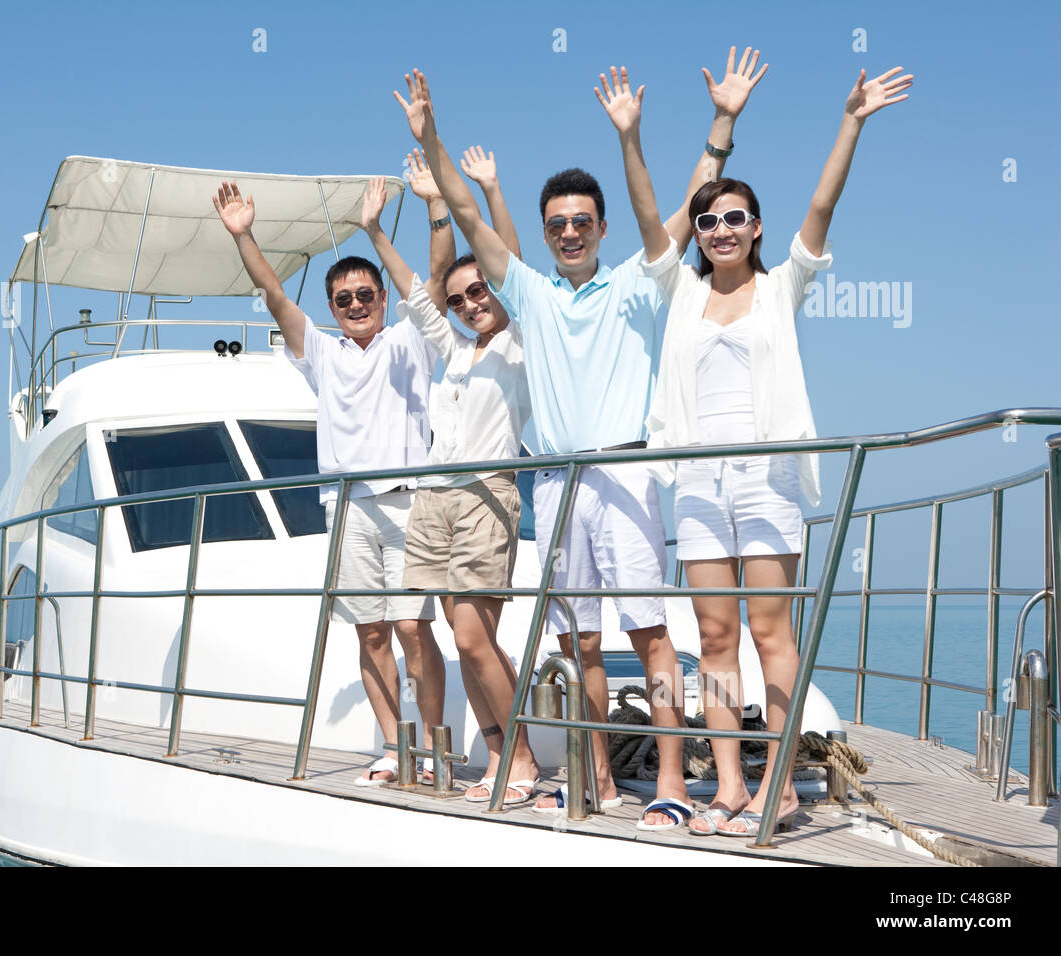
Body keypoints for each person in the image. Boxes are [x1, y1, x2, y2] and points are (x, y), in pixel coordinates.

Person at [396, 49, 766, 825]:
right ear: (544, 232)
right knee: (582, 646)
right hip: (556, 482)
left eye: (580, 222)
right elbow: (466, 214)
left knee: (651, 634)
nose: (569, 233)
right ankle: (591, 776)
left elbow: (695, 197)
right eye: (556, 224)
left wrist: (715, 122)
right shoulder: (524, 292)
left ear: (600, 227)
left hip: (626, 474)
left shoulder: (636, 280)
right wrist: (431, 141)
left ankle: (667, 784)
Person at [609, 61, 913, 835]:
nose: (720, 231)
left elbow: (822, 201)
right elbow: (652, 218)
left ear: (757, 228)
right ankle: (731, 786)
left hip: (769, 480)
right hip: (699, 485)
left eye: (735, 218)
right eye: (708, 222)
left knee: (772, 633)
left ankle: (779, 783)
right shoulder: (678, 292)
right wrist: (630, 136)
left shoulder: (783, 290)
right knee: (713, 639)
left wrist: (852, 119)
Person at [212, 180, 445, 787]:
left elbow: (438, 274)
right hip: (346, 510)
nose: (358, 303)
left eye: (367, 294)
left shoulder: (409, 341)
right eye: (345, 298)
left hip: (408, 505)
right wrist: (244, 236)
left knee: (413, 629)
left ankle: (435, 748)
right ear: (333, 307)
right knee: (371, 632)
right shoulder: (320, 351)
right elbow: (273, 294)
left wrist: (415, 212)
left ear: (384, 300)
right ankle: (396, 749)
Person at [360, 170, 542, 804]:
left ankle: (520, 758)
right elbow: (415, 293)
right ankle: (498, 755)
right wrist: (376, 231)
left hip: (488, 494)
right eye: (461, 296)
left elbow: (511, 263)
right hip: (434, 500)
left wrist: (490, 192)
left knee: (473, 636)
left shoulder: (519, 342)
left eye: (480, 291)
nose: (470, 302)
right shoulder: (455, 349)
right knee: (462, 638)